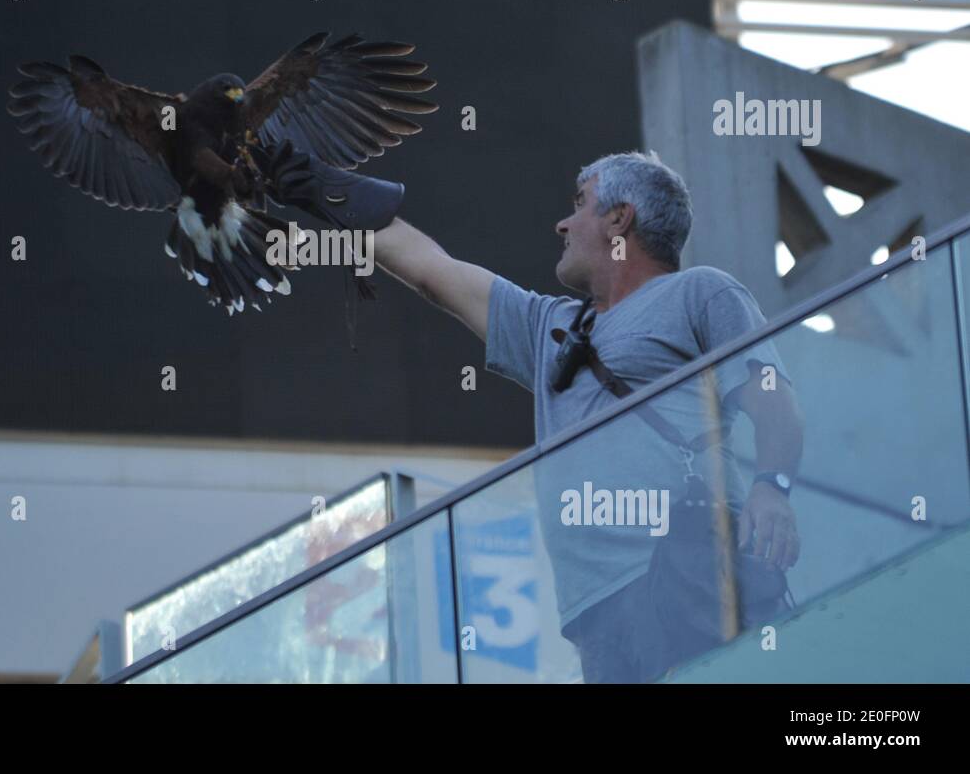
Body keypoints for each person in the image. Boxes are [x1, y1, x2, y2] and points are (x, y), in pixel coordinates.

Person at [260, 143, 804, 682]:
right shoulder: (551, 328)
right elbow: (429, 268)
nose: (561, 225)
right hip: (593, 612)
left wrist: (773, 487)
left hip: (689, 575)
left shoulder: (700, 292)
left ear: (619, 218)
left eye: (579, 204)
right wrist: (314, 183)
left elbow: (775, 402)